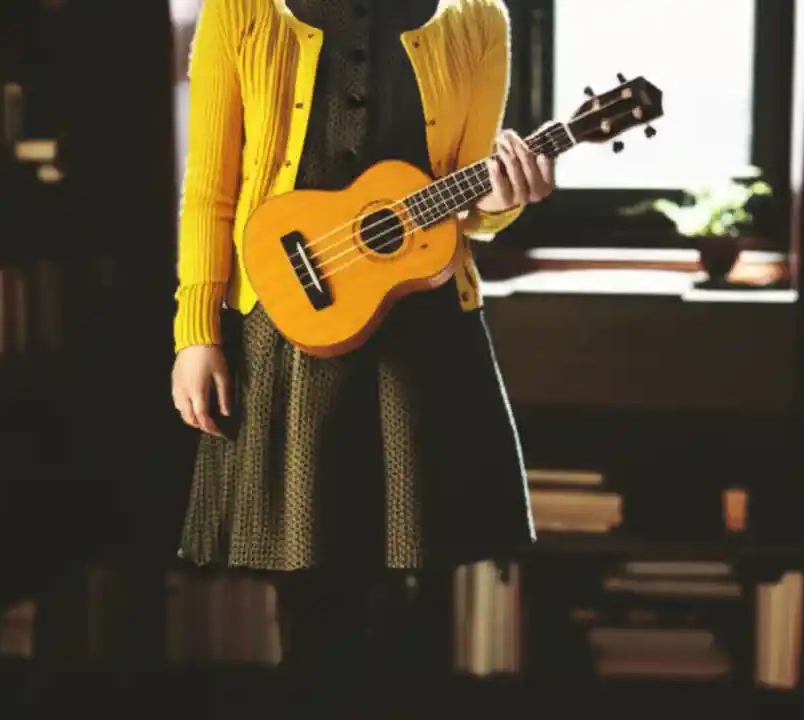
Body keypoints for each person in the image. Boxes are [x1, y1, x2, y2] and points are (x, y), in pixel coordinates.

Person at [169, 0, 554, 717]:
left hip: (425, 340)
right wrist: (197, 331)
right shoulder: (239, 11)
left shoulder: (479, 19)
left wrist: (507, 199)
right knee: (312, 596)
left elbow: (470, 199)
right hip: (285, 328)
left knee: (419, 594)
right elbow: (210, 189)